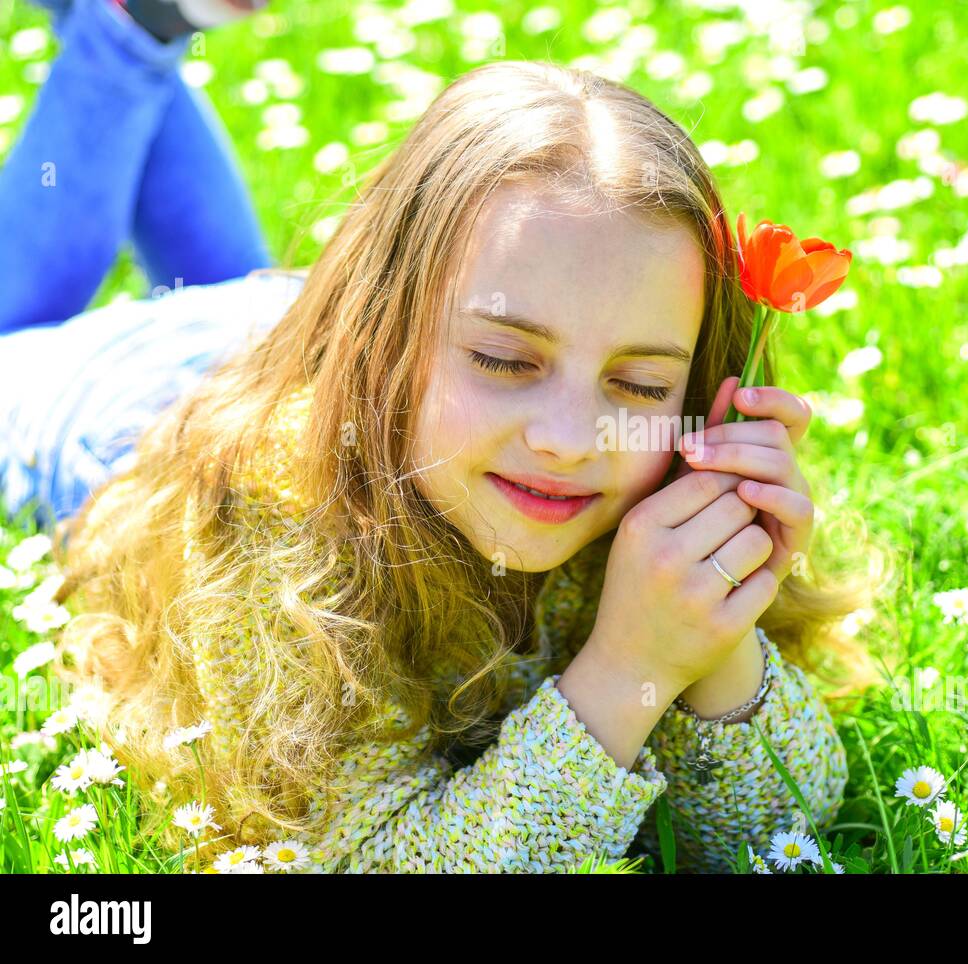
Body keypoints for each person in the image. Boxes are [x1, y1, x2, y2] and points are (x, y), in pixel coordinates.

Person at [4, 0, 882, 873]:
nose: (573, 438)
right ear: (377, 332)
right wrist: (625, 670)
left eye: (640, 383)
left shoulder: (645, 486)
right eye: (506, 360)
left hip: (272, 325)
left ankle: (144, 26)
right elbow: (374, 864)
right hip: (105, 397)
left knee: (228, 278)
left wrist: (715, 621)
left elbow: (780, 838)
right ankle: (127, 34)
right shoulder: (271, 529)